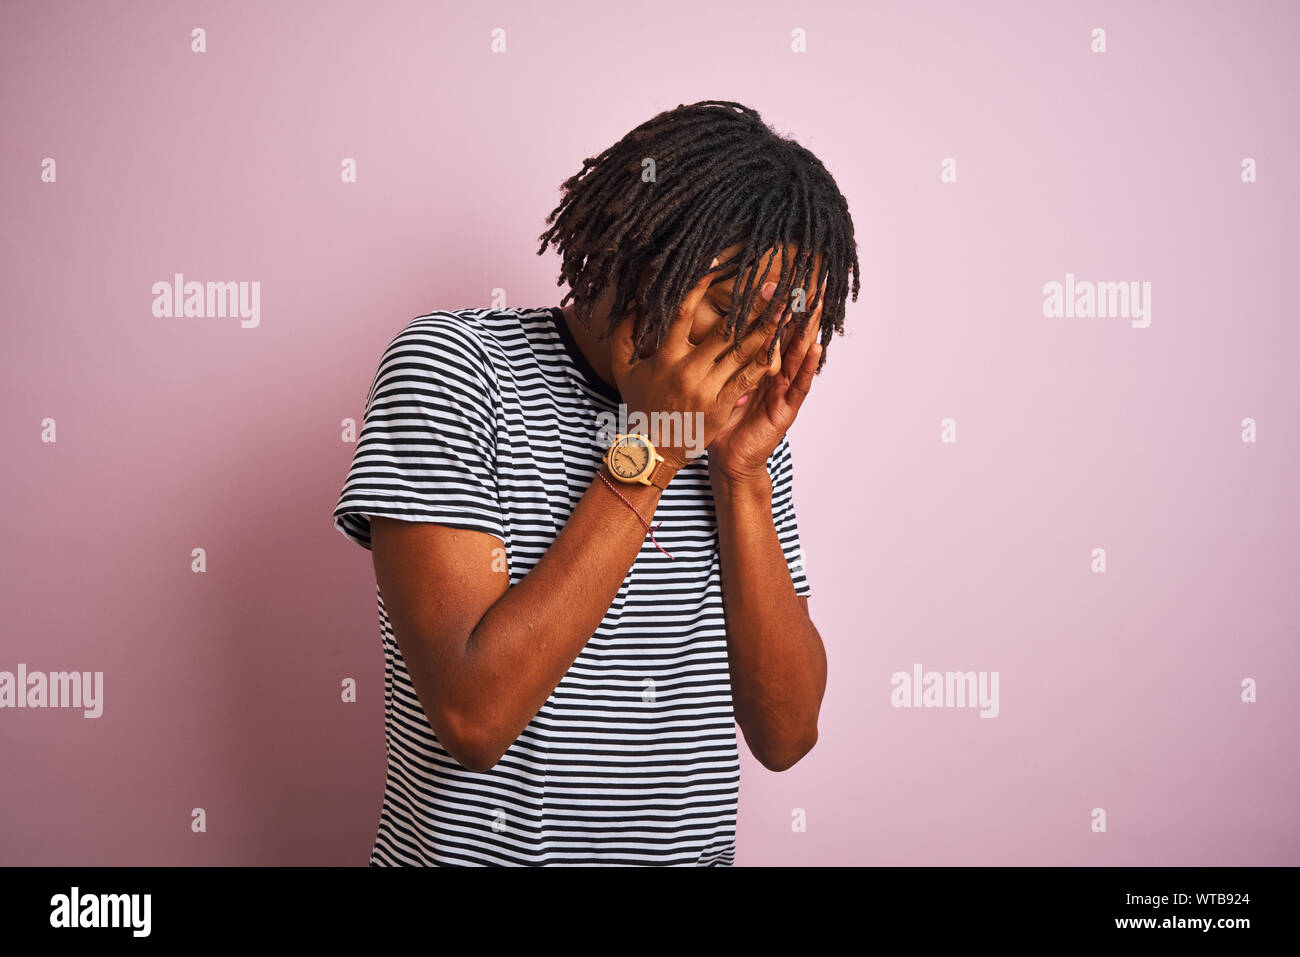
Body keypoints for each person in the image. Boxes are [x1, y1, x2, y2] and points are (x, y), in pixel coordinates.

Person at [333, 99, 860, 865]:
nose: (759, 354)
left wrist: (742, 473)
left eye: (786, 325)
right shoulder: (455, 370)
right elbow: (473, 716)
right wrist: (652, 445)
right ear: (643, 258)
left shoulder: (738, 433)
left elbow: (787, 734)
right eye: (731, 308)